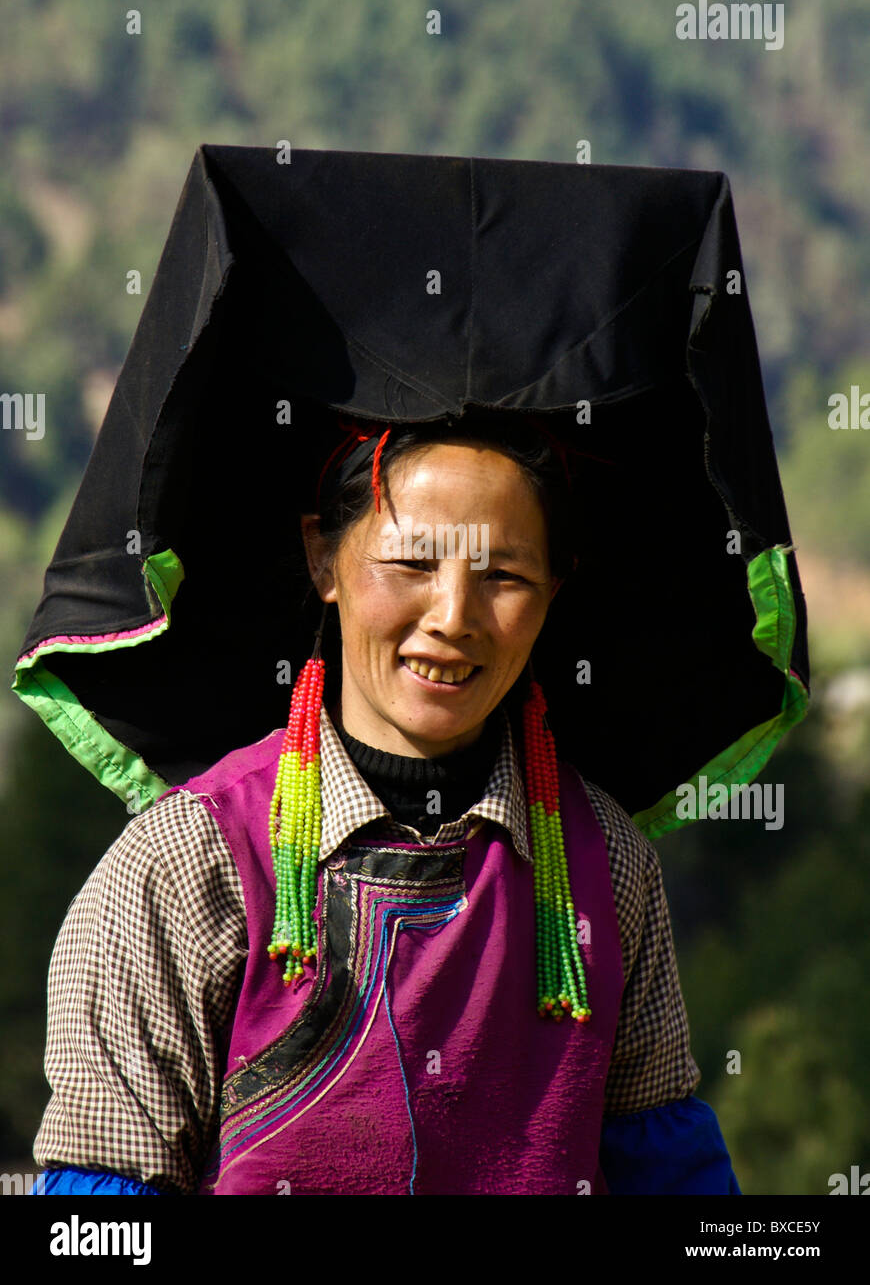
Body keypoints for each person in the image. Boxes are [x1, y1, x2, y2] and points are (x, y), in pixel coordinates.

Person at [32, 412, 740, 1195]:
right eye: (410, 563)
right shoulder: (187, 864)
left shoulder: (602, 862)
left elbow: (672, 1177)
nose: (452, 618)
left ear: (552, 592)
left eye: (502, 576)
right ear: (322, 558)